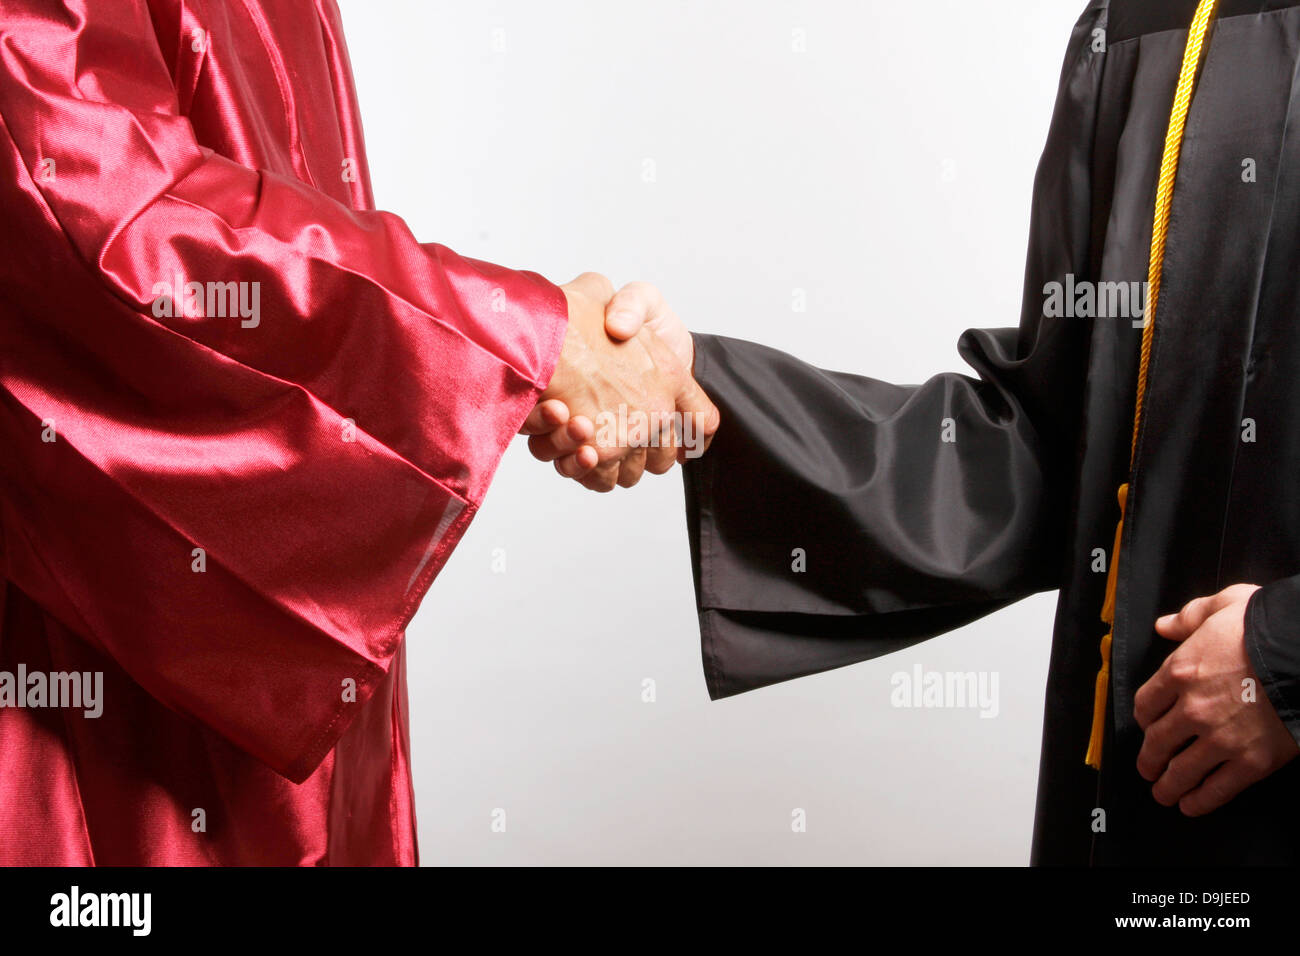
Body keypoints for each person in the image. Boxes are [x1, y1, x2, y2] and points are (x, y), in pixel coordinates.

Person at [539, 0, 1300, 864]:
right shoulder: (1142, 23)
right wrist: (700, 389)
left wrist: (1283, 660)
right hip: (1147, 806)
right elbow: (1052, 450)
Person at [0, 0, 715, 864]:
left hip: (275, 647)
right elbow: (93, 211)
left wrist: (564, 357)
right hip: (87, 638)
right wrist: (522, 344)